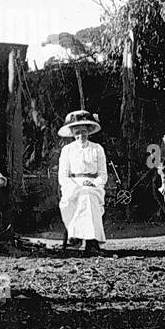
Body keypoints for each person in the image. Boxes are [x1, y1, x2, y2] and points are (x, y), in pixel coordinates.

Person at [57, 109, 108, 255]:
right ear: (72, 133)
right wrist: (76, 186)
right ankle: (77, 237)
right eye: (77, 132)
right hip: (72, 185)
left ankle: (91, 243)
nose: (81, 135)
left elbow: (102, 175)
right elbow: (63, 176)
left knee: (89, 196)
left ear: (89, 131)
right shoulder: (67, 150)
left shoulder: (97, 149)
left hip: (93, 185)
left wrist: (94, 183)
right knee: (77, 198)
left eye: (84, 131)